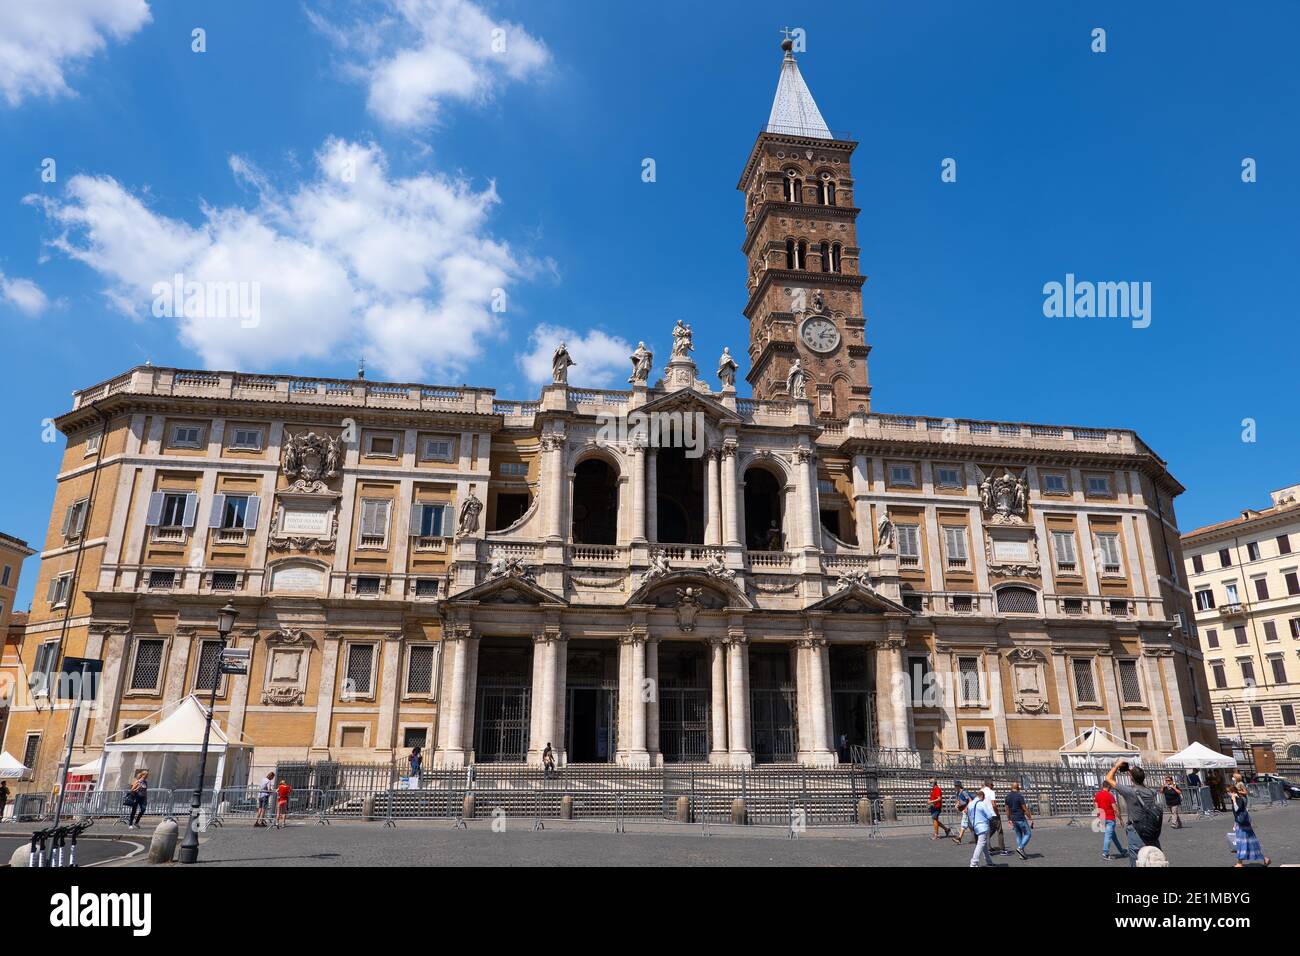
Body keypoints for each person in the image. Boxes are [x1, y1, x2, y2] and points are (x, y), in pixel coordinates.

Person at [1105, 758, 1162, 868]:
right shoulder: (1151, 792)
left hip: (1136, 829)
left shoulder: (1130, 792)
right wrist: (1133, 773)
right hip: (1151, 829)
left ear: (1131, 778)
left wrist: (1116, 766)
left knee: (1136, 858)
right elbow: (1143, 785)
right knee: (1153, 858)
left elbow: (1108, 778)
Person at [1228, 783, 1269, 867]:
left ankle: (1239, 863)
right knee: (1250, 843)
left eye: (1228, 792)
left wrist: (1234, 800)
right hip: (1241, 824)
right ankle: (1265, 859)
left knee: (1242, 843)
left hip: (1243, 825)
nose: (1227, 794)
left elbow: (1237, 810)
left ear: (1232, 792)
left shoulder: (1238, 799)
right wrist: (1235, 823)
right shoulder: (1235, 798)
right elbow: (1236, 814)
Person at [1096, 782, 1126, 860]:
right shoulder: (1110, 796)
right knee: (1108, 836)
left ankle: (1121, 851)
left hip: (1102, 818)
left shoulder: (1097, 795)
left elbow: (1096, 807)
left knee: (1113, 836)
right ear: (1109, 787)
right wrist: (1121, 819)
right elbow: (1115, 809)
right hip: (1110, 818)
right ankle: (1105, 853)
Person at [1005, 781, 1034, 859]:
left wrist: (1009, 819)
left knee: (1019, 835)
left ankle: (1021, 854)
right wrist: (1030, 818)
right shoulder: (1019, 796)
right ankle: (1020, 848)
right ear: (1018, 788)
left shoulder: (1007, 796)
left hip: (1013, 818)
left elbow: (1007, 810)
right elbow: (1024, 808)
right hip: (1020, 817)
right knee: (1028, 834)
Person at [968, 789, 997, 867]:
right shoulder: (981, 804)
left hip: (975, 825)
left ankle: (989, 861)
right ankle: (973, 862)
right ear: (982, 797)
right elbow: (989, 815)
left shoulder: (970, 804)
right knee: (980, 844)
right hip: (983, 826)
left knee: (983, 844)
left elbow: (969, 816)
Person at [980, 780, 1006, 855]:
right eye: (992, 785)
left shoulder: (981, 791)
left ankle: (987, 847)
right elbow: (993, 804)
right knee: (999, 830)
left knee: (990, 830)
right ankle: (1002, 849)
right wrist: (997, 813)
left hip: (985, 814)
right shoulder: (991, 792)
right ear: (990, 785)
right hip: (993, 814)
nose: (993, 787)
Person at [951, 780, 975, 844]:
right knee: (970, 824)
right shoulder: (958, 793)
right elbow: (959, 800)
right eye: (955, 786)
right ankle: (975, 838)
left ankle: (959, 838)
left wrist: (967, 808)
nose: (955, 787)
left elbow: (970, 800)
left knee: (963, 824)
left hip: (967, 809)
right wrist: (957, 805)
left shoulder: (964, 792)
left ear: (959, 786)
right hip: (964, 809)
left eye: (956, 786)